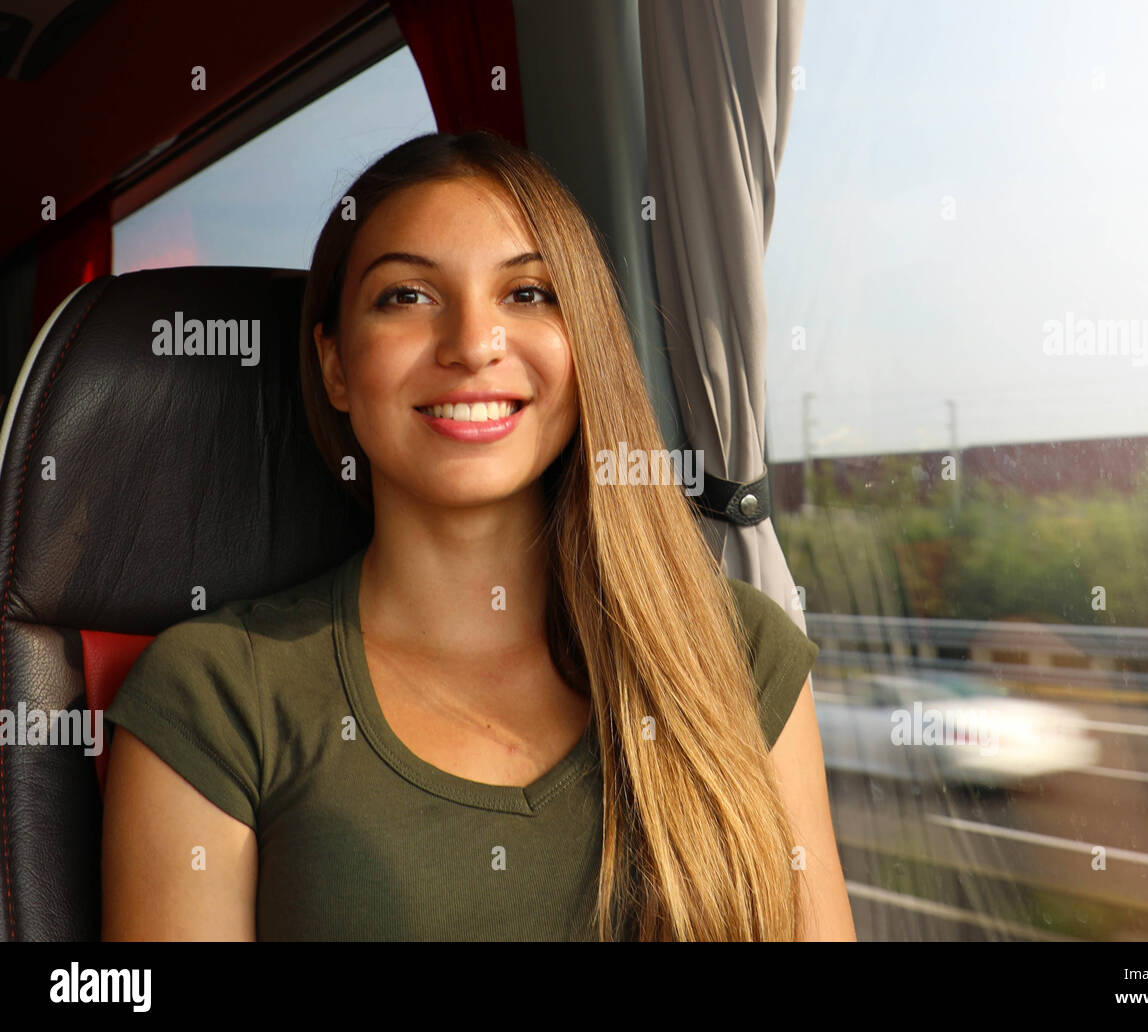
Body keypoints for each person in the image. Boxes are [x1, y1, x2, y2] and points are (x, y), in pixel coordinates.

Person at [101, 131, 854, 941]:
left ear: (586, 345)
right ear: (336, 368)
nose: (472, 345)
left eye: (527, 293)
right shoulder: (215, 696)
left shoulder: (740, 652)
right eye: (407, 296)